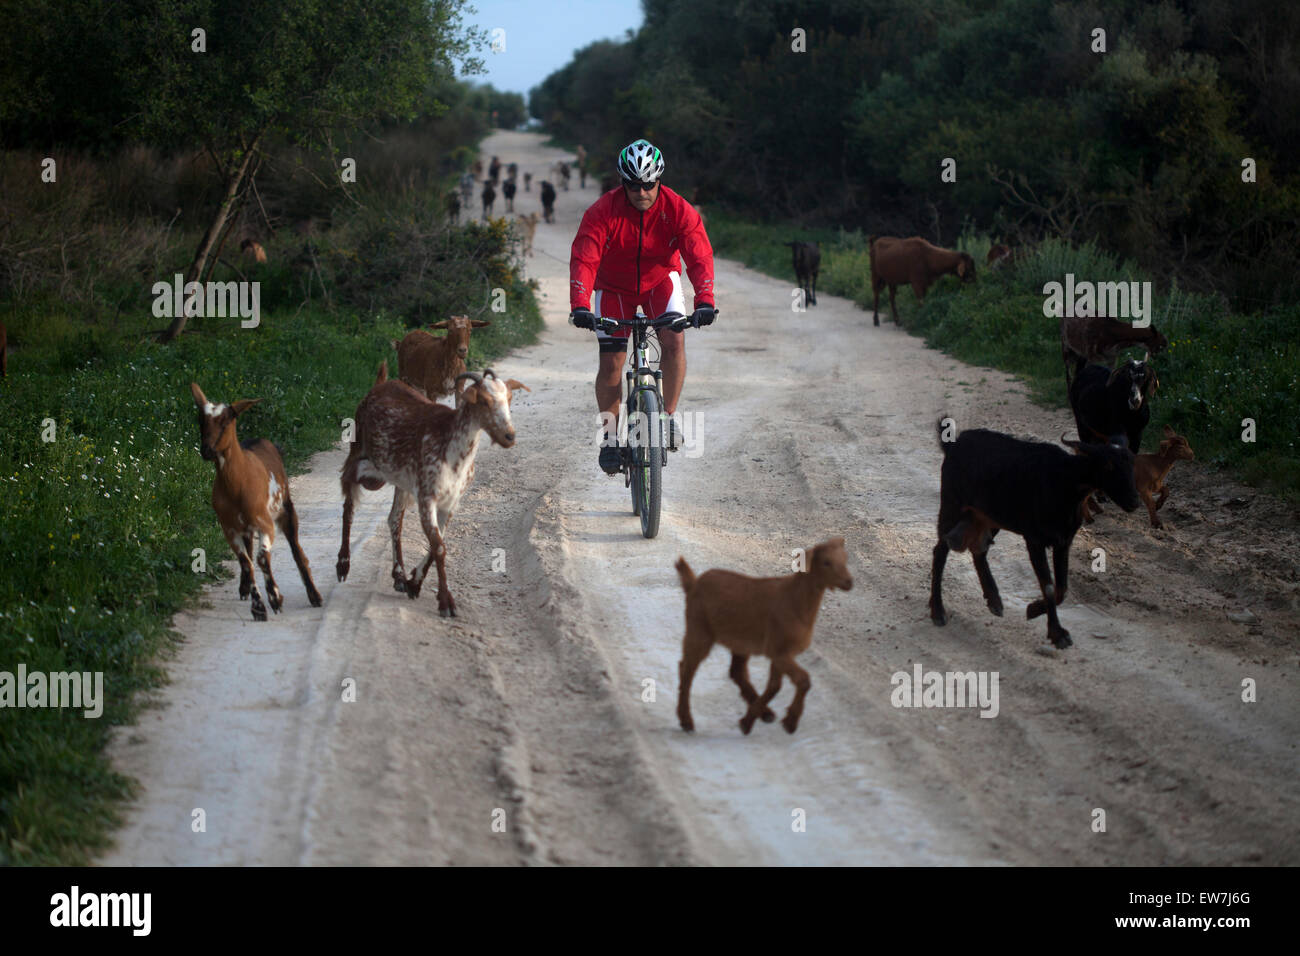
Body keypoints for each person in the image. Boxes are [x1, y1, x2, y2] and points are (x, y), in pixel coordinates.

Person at [569, 139, 716, 474]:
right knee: (611, 363)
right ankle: (609, 439)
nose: (641, 192)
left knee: (674, 340)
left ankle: (667, 418)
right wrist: (580, 304)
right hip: (614, 287)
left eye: (648, 184)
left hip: (659, 282)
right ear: (623, 183)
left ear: (658, 180)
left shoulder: (678, 209)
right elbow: (584, 259)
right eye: (633, 185)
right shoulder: (602, 211)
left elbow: (699, 256)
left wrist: (704, 299)